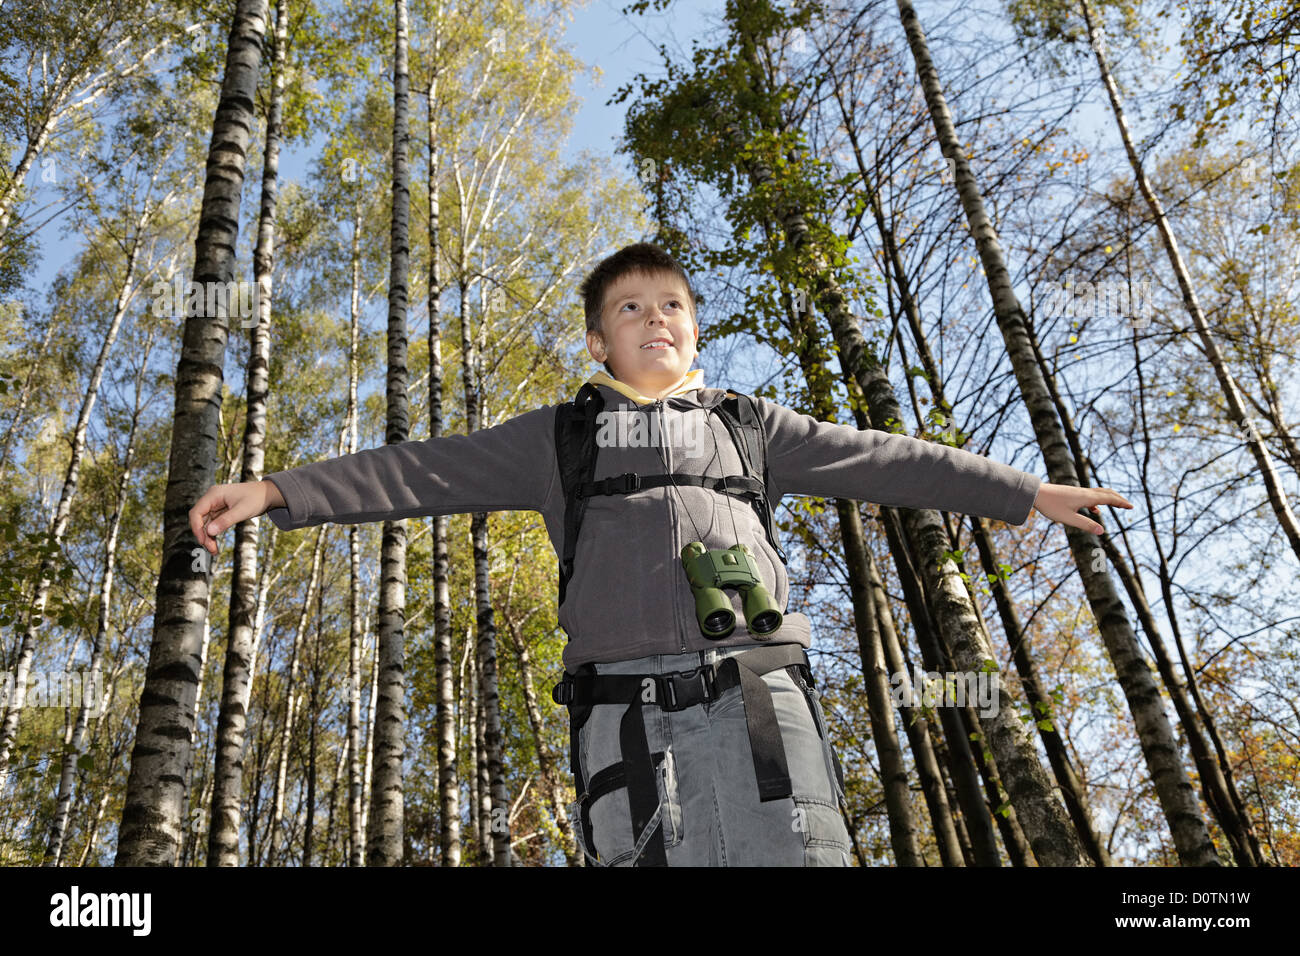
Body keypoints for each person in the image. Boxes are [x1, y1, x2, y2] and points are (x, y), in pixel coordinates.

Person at [191, 242, 1133, 866]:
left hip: (761, 699)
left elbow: (888, 459)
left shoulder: (751, 426)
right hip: (622, 719)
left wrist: (1026, 492)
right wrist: (280, 491)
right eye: (631, 307)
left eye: (672, 304)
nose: (656, 318)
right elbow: (418, 471)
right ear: (598, 341)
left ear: (694, 328)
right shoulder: (557, 438)